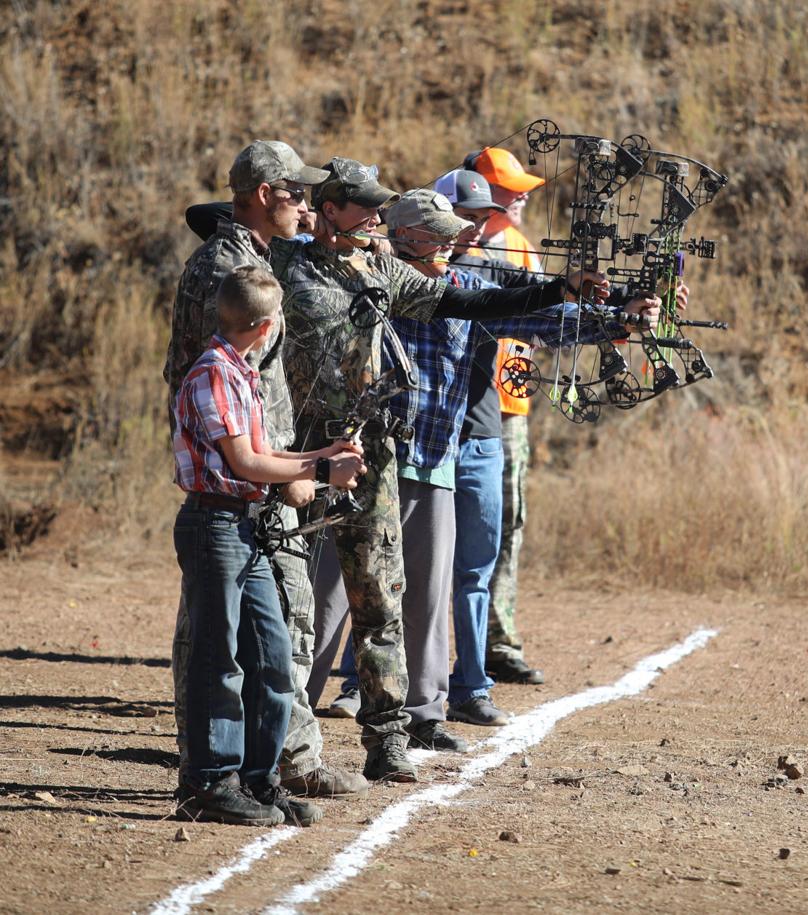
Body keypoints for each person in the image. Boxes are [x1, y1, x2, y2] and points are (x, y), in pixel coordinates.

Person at [272, 157, 604, 781]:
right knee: (324, 594)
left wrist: (607, 313)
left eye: (463, 233)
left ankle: (413, 721)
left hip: (416, 462)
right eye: (446, 235)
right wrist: (314, 228)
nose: (462, 242)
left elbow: (513, 311)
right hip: (338, 460)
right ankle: (291, 712)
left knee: (407, 596)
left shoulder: (426, 283)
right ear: (408, 237)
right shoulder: (348, 273)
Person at [381, 188, 659, 746]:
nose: (468, 232)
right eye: (455, 224)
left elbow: (541, 317)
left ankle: (449, 697)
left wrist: (619, 317)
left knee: (457, 576)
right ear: (414, 232)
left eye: (476, 221)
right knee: (371, 582)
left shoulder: (479, 277)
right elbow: (511, 303)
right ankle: (333, 700)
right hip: (388, 453)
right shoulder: (388, 279)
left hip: (457, 447)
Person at [164, 140, 369, 800]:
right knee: (217, 629)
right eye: (296, 193)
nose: (306, 204)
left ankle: (279, 757)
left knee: (279, 616)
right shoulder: (221, 267)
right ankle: (218, 764)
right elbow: (216, 387)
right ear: (261, 195)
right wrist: (283, 471)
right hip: (237, 477)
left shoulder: (257, 257)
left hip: (268, 468)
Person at [463, 148, 547, 686]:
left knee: (505, 524)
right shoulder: (446, 244)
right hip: (457, 408)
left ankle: (498, 641)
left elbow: (548, 321)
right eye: (508, 187)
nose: (520, 196)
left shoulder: (520, 248)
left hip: (509, 409)